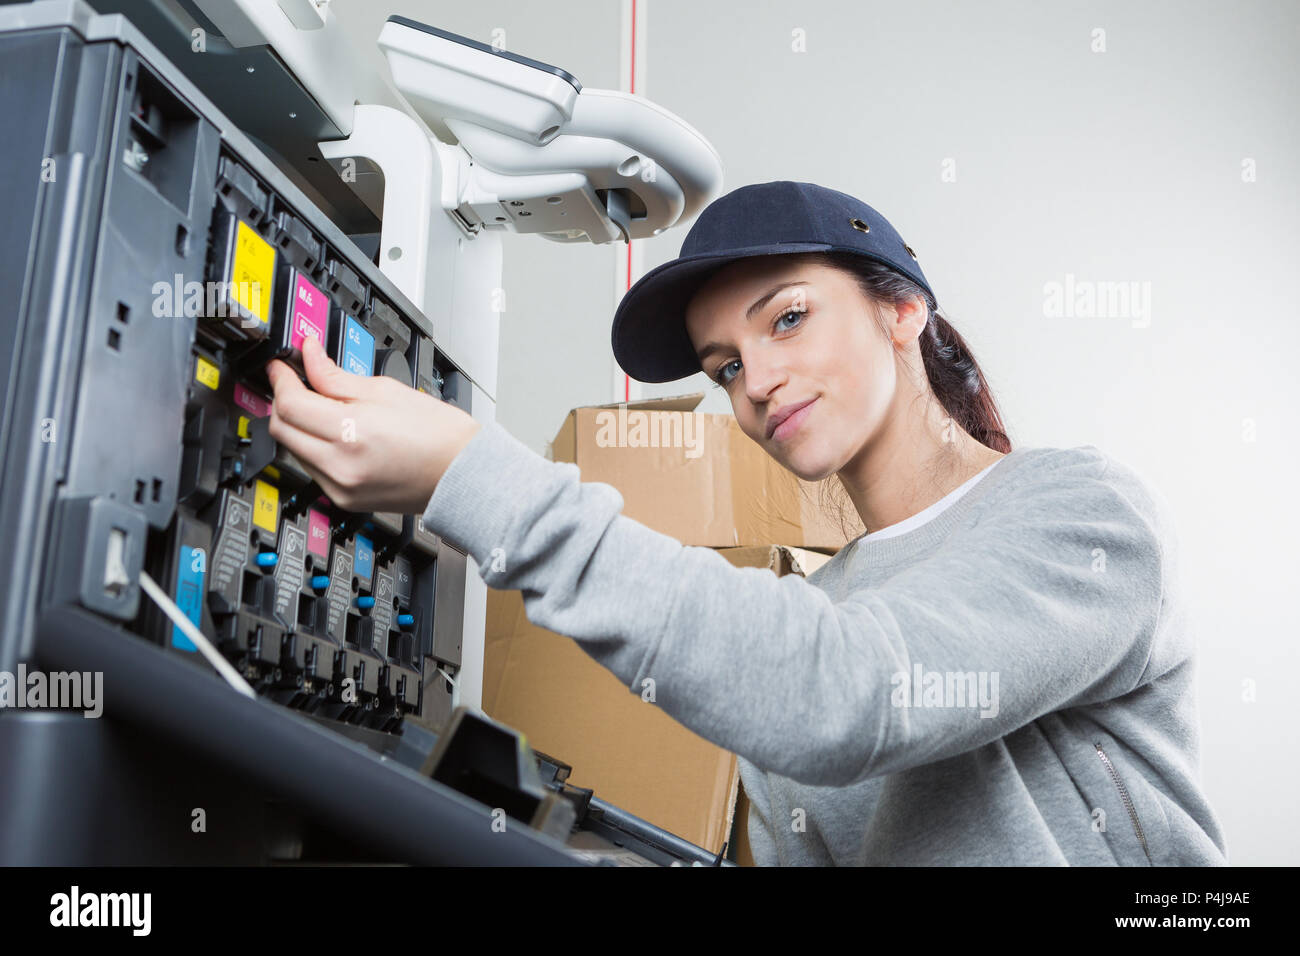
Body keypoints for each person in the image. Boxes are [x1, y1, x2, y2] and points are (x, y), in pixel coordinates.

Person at [265, 181, 1228, 866]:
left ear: (903, 311)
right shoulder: (816, 610)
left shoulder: (1083, 512)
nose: (756, 382)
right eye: (724, 366)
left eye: (788, 318)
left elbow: (849, 695)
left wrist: (468, 475)